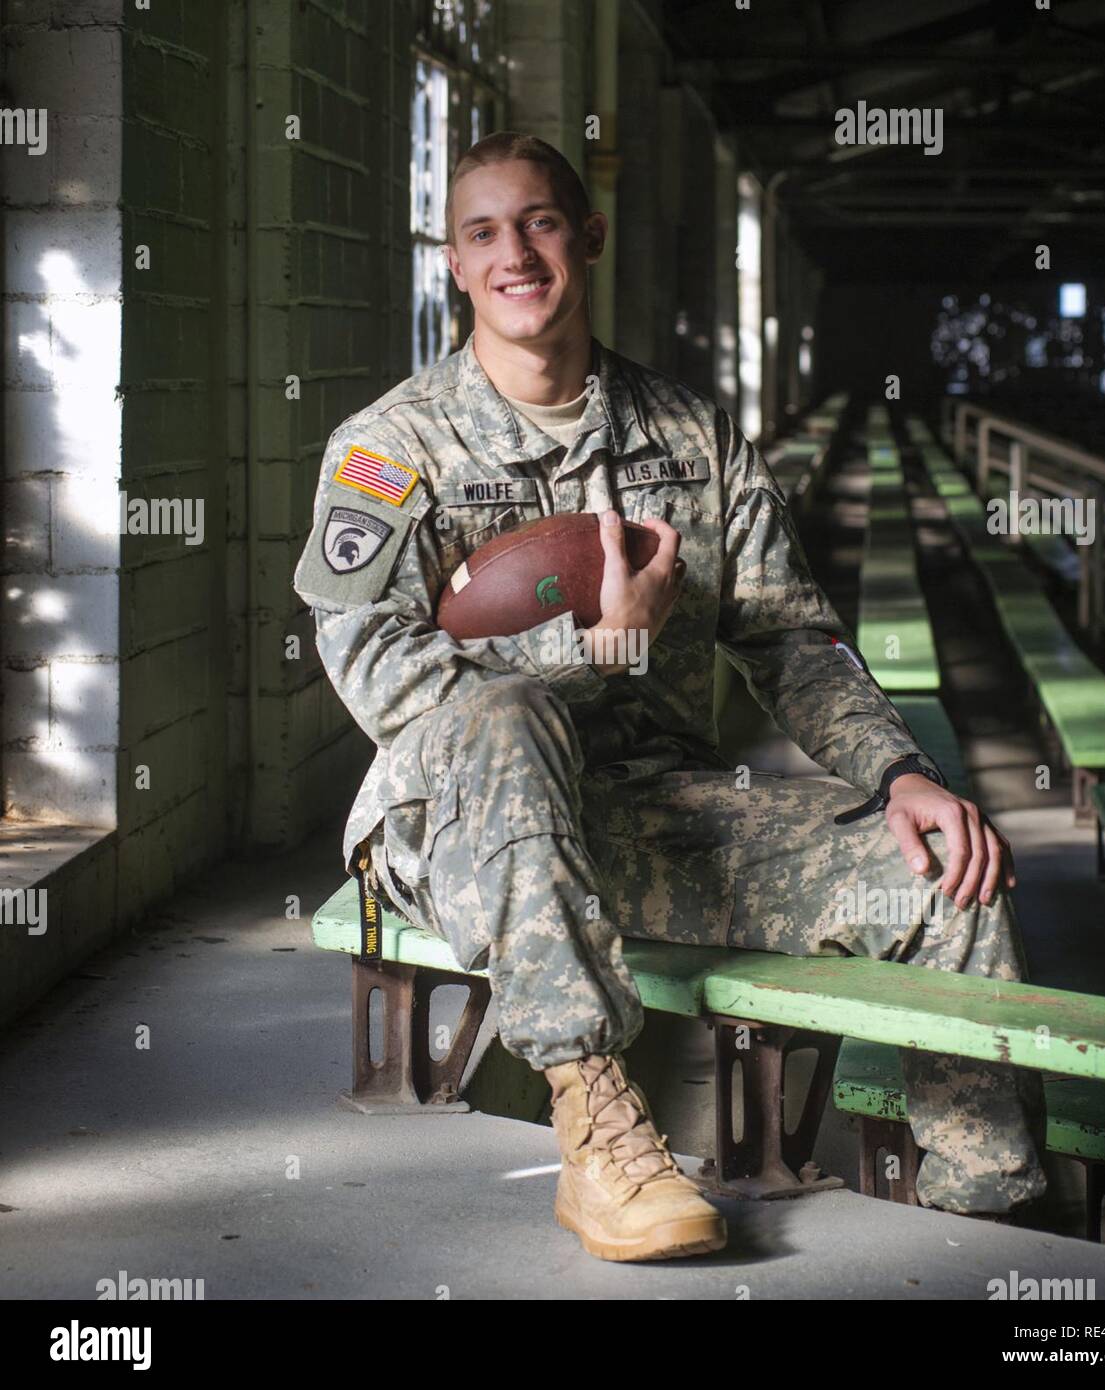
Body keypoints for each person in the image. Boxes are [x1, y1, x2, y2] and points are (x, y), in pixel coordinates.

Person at [293, 131, 1046, 1264]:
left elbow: (793, 638)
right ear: (453, 262)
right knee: (504, 717)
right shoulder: (391, 451)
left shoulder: (689, 437)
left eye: (540, 222)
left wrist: (903, 775)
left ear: (585, 237)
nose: (514, 254)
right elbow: (378, 670)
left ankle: (990, 1234)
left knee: (946, 872)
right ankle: (598, 1131)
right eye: (482, 232)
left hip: (647, 816)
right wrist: (596, 649)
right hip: (453, 826)